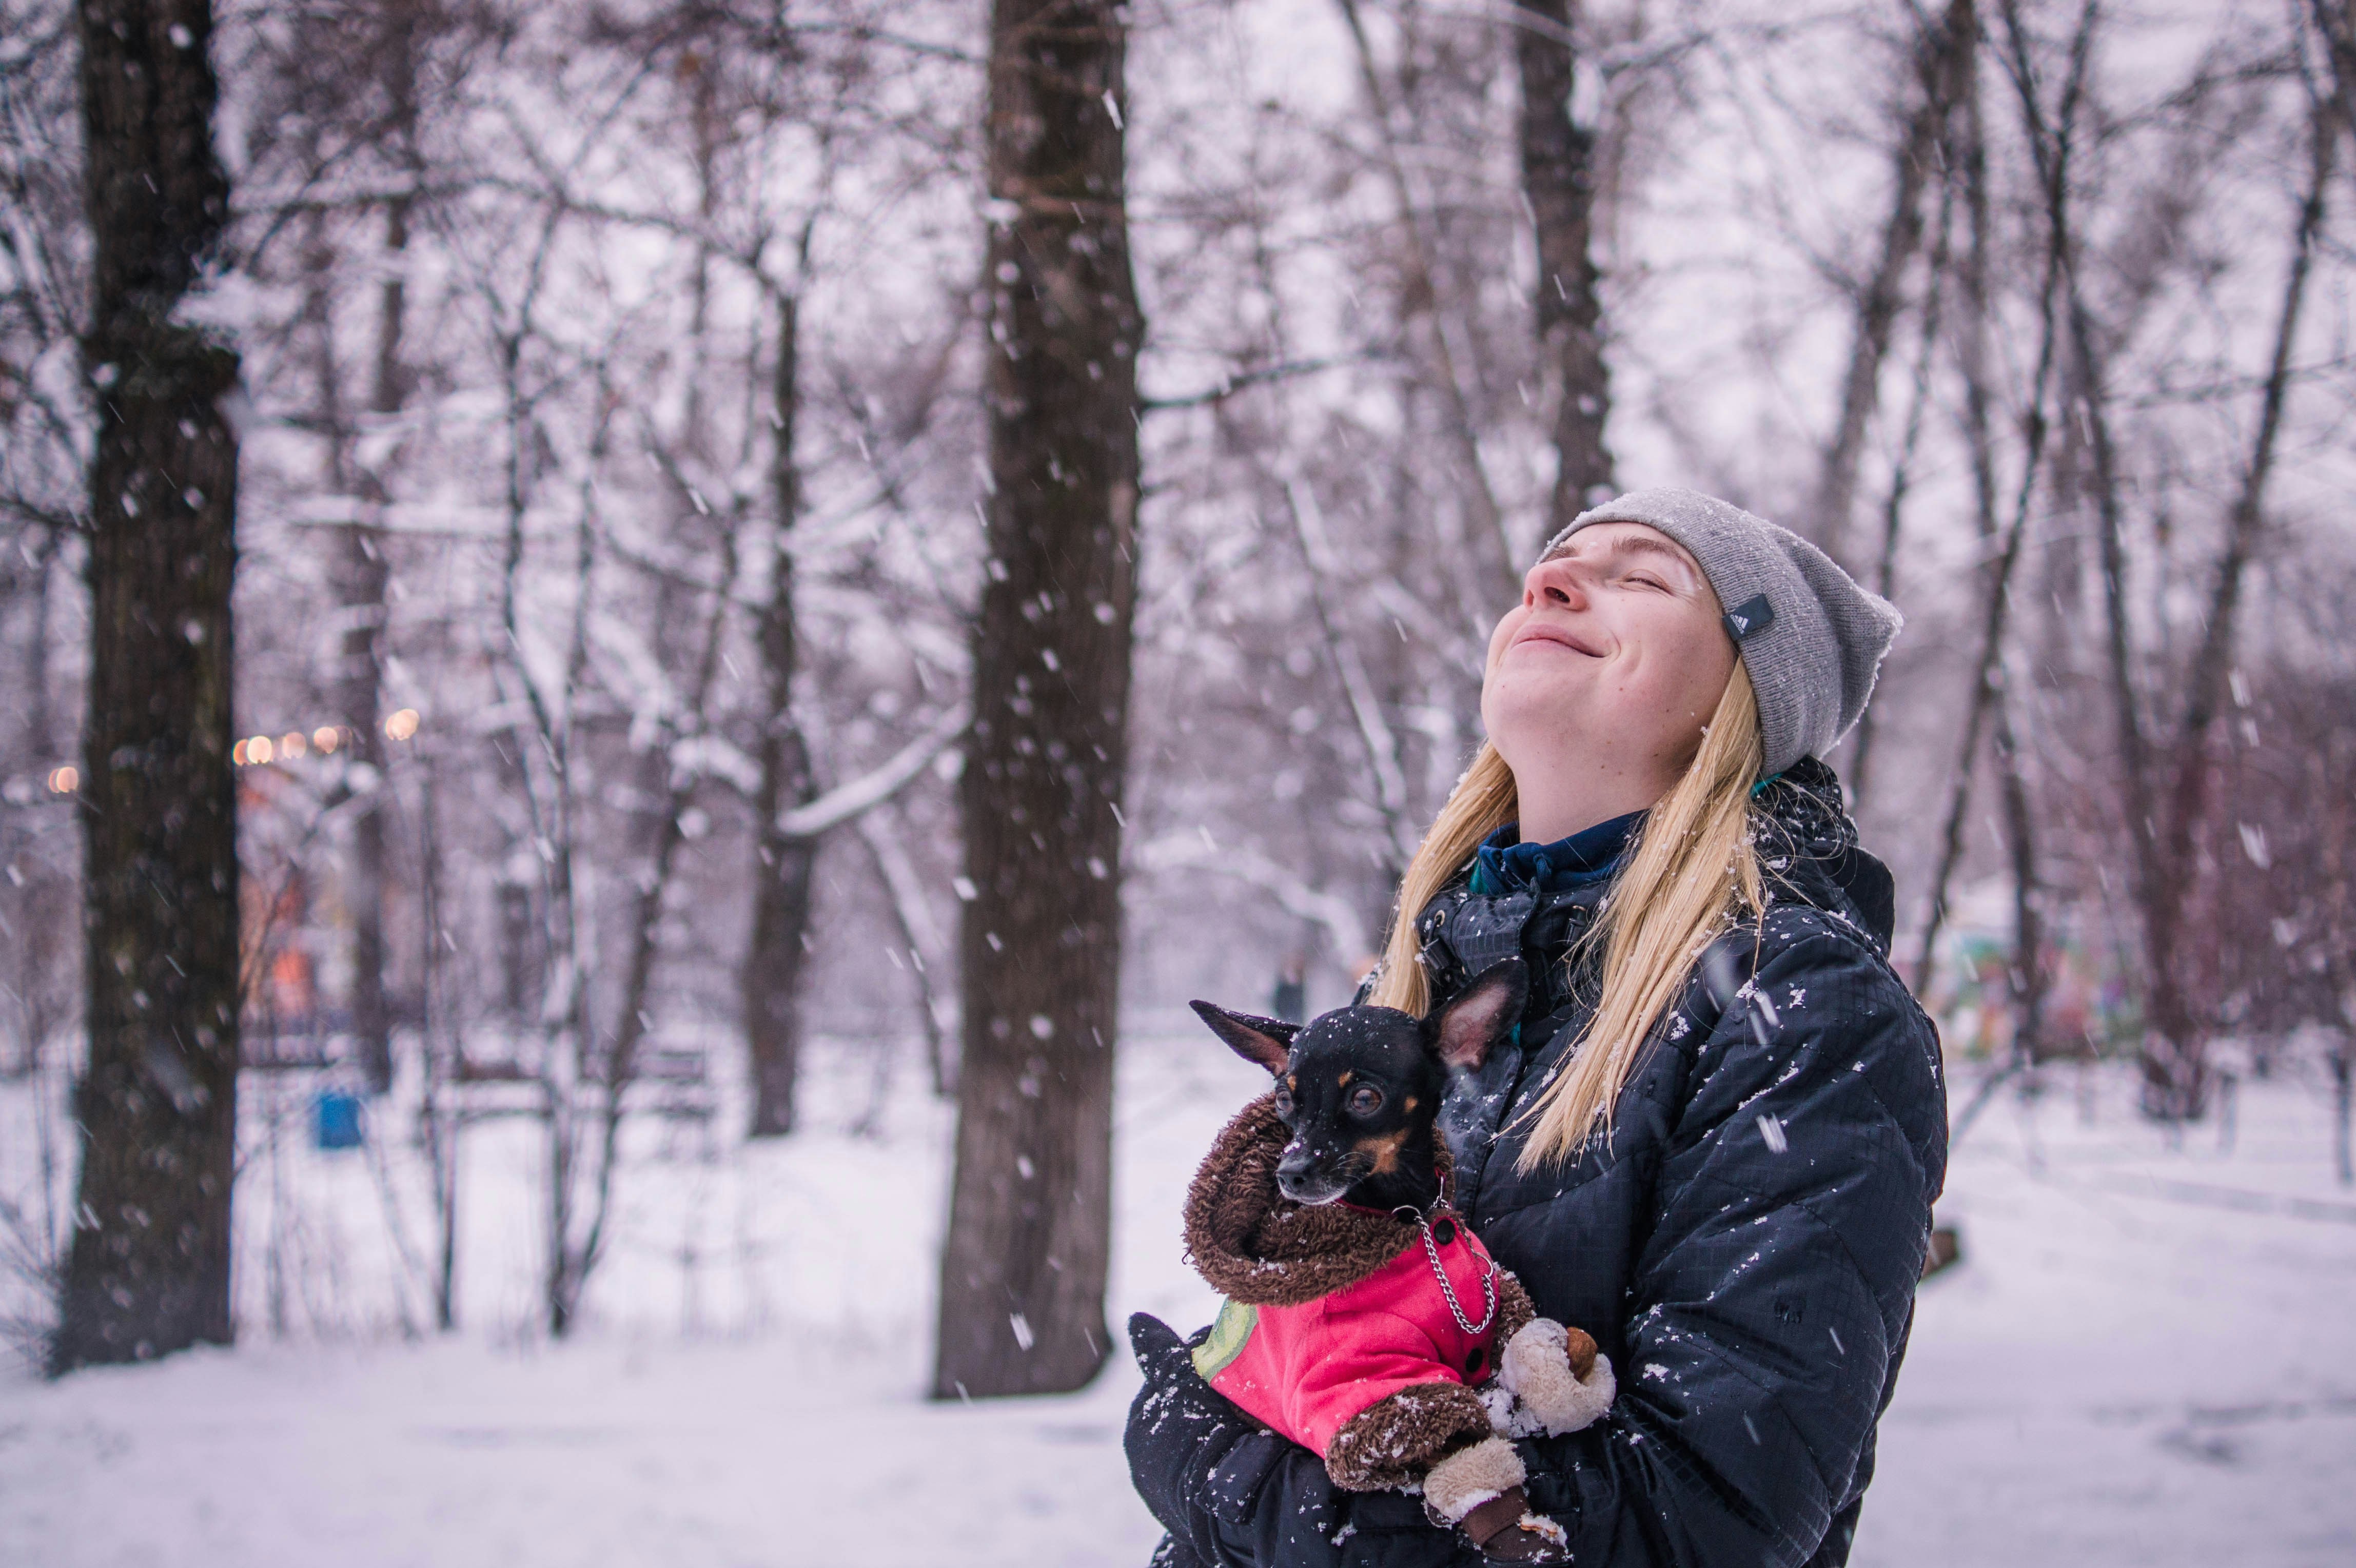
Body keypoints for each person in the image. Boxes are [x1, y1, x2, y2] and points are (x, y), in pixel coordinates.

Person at [1126, 488, 1948, 1568]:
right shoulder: (1416, 983)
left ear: (1747, 694)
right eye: (1551, 569)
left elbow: (1699, 1514)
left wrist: (1213, 1467)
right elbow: (1291, 1345)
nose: (1547, 583)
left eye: (1643, 577)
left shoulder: (1799, 1006)